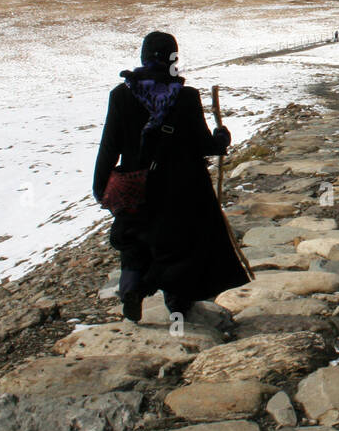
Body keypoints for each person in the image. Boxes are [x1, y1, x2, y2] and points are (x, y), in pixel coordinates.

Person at [93, 31, 248, 322]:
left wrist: (100, 186)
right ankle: (177, 303)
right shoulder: (185, 97)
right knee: (181, 243)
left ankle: (131, 290)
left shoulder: (121, 95)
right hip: (182, 186)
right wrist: (221, 138)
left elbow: (109, 145)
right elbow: (203, 145)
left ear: (143, 56)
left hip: (135, 185)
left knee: (136, 238)